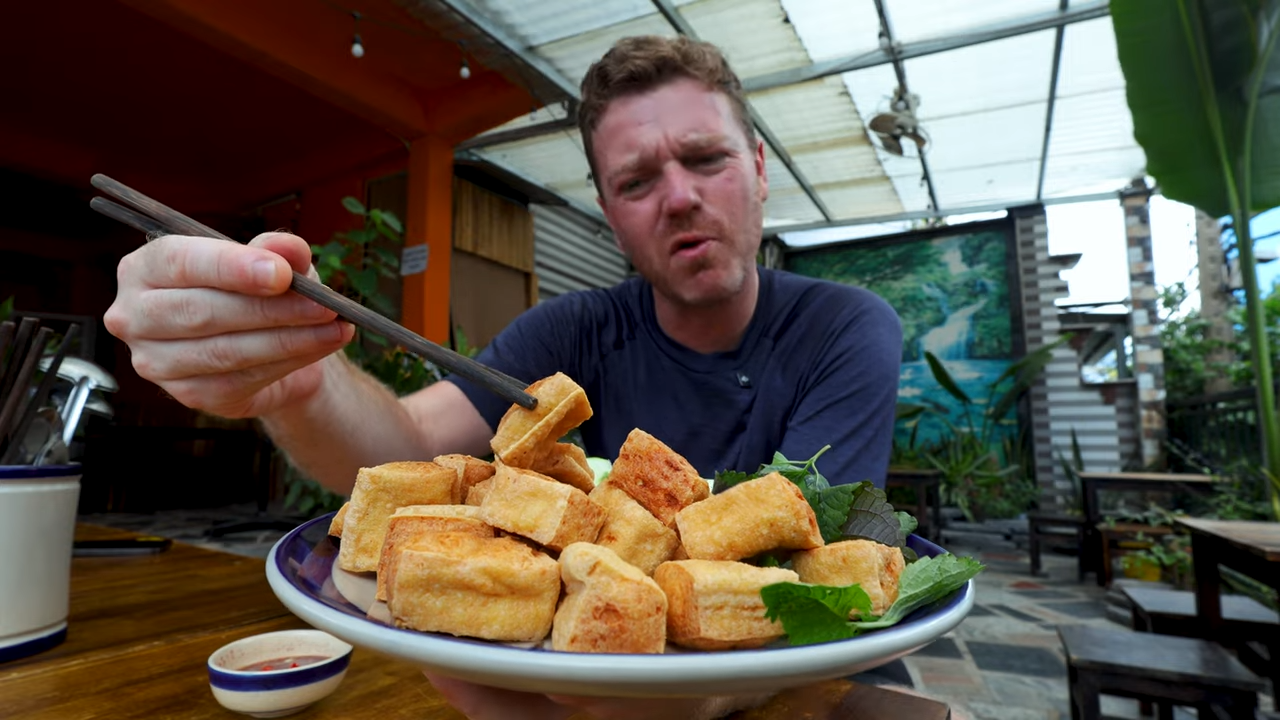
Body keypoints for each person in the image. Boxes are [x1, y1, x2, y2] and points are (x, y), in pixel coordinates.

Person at [105, 35, 902, 720]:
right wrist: (299, 384)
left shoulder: (846, 326)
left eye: (706, 159)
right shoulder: (575, 330)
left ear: (759, 167)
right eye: (637, 182)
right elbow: (408, 445)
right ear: (607, 210)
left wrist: (692, 699)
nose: (681, 198)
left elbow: (822, 569)